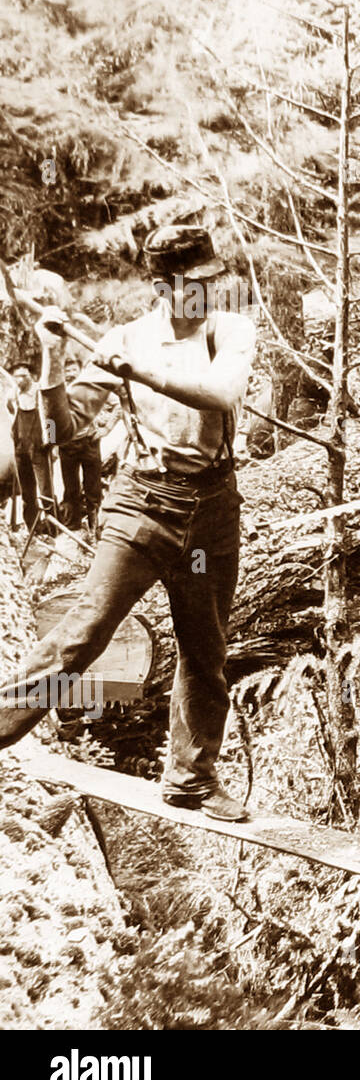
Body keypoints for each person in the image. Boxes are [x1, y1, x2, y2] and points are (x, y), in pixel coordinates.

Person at [0, 225, 257, 821]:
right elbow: (65, 430)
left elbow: (222, 393)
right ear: (161, 284)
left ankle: (191, 779)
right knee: (83, 635)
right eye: (194, 284)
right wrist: (54, 356)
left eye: (212, 280)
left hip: (208, 518)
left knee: (204, 649)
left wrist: (138, 371)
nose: (208, 292)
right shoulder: (123, 338)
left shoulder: (231, 330)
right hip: (142, 514)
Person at [53, 351, 105, 536]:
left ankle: (95, 528)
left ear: (80, 370)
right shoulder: (58, 393)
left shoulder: (89, 388)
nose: (70, 373)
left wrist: (105, 430)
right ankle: (73, 527)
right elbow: (49, 419)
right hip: (67, 446)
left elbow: (115, 403)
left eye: (73, 369)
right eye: (67, 370)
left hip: (89, 443)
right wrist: (53, 443)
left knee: (93, 488)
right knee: (71, 489)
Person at [10, 362, 55, 534]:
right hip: (21, 448)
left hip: (40, 447)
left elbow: (51, 418)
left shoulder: (40, 392)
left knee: (45, 490)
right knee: (27, 492)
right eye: (17, 376)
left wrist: (52, 443)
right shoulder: (13, 394)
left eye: (24, 376)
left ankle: (52, 528)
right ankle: (32, 528)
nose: (20, 379)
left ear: (31, 376)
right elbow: (10, 414)